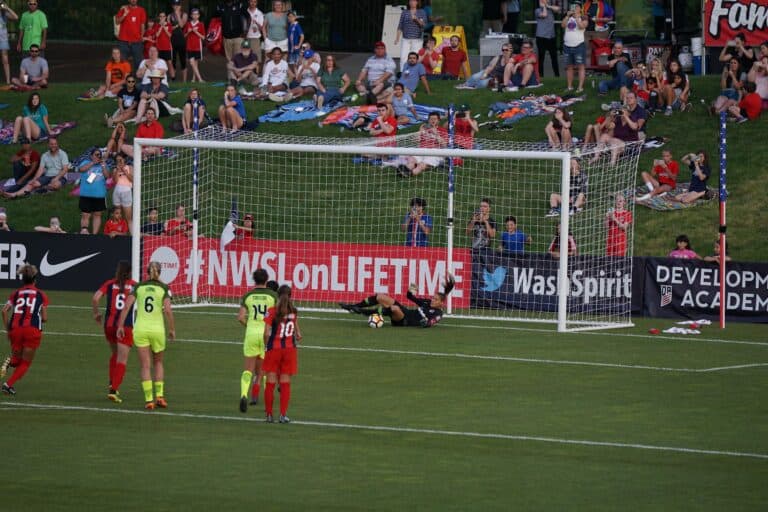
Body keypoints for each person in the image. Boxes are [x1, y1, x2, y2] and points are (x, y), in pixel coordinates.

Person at [116, 261, 176, 410]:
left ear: (147, 272)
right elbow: (168, 311)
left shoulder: (138, 287)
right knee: (158, 363)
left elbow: (127, 306)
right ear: (160, 273)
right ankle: (160, 397)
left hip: (141, 329)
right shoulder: (164, 288)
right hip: (157, 330)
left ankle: (149, 400)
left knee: (145, 365)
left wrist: (121, 325)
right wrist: (172, 329)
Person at [92, 261, 137, 403]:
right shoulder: (135, 285)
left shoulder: (110, 284)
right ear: (130, 272)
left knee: (115, 354)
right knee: (122, 360)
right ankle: (113, 389)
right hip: (125, 326)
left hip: (109, 326)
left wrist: (96, 314)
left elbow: (95, 298)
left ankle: (112, 383)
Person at [0, 264, 48, 396]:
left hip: (15, 330)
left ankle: (8, 362)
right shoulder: (41, 295)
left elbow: (4, 311)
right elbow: (44, 318)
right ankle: (7, 385)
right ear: (35, 280)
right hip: (32, 330)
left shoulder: (15, 294)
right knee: (25, 362)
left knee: (17, 361)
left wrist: (8, 330)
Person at [339, 274, 455, 328]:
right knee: (380, 297)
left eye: (435, 299)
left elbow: (433, 321)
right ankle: (353, 306)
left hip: (405, 321)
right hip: (405, 312)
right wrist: (411, 290)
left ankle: (362, 311)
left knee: (394, 308)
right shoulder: (427, 303)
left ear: (441, 303)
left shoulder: (438, 313)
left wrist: (426, 323)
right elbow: (410, 297)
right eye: (433, 298)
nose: (432, 300)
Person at [237, 268, 277, 412]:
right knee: (264, 368)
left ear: (254, 280)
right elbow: (277, 316)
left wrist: (249, 326)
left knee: (248, 370)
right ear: (267, 280)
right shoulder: (273, 296)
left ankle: (243, 395)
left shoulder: (248, 295)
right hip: (266, 333)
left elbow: (240, 317)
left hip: (251, 334)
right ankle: (268, 398)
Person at [262, 284, 302, 423]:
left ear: (277, 296)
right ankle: (283, 415)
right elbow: (297, 330)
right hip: (289, 350)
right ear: (290, 296)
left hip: (274, 349)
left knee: (271, 382)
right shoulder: (294, 311)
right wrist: (298, 333)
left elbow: (266, 332)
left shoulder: (272, 311)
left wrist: (266, 345)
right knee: (285, 382)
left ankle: (268, 415)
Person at [3, 137, 69, 198]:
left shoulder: (63, 154)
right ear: (48, 145)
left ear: (57, 144)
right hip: (47, 176)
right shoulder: (45, 155)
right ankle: (13, 195)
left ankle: (40, 189)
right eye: (51, 144)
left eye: (55, 144)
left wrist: (56, 178)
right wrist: (34, 179)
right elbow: (40, 169)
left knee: (55, 185)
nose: (53, 146)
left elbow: (65, 169)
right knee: (32, 184)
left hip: (60, 176)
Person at [593, 91, 646, 165]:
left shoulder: (633, 118)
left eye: (624, 111)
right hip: (618, 142)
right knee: (605, 136)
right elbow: (608, 126)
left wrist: (626, 117)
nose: (622, 113)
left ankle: (612, 162)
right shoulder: (618, 119)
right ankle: (596, 157)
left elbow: (635, 127)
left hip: (629, 144)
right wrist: (610, 116)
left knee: (615, 143)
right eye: (621, 111)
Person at [398, 111, 447, 177]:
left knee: (421, 165)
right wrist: (420, 132)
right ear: (428, 120)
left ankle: (410, 173)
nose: (433, 121)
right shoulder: (424, 129)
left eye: (435, 119)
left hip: (434, 153)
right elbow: (416, 141)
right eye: (431, 119)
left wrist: (436, 134)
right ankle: (404, 170)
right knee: (411, 160)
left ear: (438, 120)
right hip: (421, 150)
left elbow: (444, 145)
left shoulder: (442, 130)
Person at [78, 148, 110, 235]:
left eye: (99, 155)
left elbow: (107, 176)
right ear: (91, 156)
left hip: (99, 195)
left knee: (97, 214)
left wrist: (103, 165)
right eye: (96, 154)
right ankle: (84, 231)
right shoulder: (86, 162)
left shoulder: (104, 165)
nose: (98, 156)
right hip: (86, 194)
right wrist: (92, 163)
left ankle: (94, 234)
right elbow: (81, 169)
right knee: (85, 214)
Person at [561, 3, 588, 93]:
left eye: (576, 7)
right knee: (569, 67)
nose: (574, 8)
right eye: (573, 7)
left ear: (580, 8)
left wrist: (576, 17)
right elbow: (563, 25)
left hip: (578, 45)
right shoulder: (568, 17)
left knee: (581, 66)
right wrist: (567, 16)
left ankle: (580, 87)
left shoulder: (584, 17)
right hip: (567, 45)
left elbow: (581, 26)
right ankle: (569, 87)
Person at [395, 0, 427, 71]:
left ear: (417, 2)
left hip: (417, 40)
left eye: (414, 1)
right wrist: (397, 38)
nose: (412, 2)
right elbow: (400, 25)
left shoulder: (422, 12)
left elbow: (424, 25)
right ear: (409, 3)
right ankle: (403, 73)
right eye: (411, 1)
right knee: (403, 57)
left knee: (415, 57)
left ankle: (413, 73)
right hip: (405, 39)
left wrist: (416, 19)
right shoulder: (404, 12)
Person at [115, 0, 147, 66]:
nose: (133, 0)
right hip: (123, 41)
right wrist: (124, 14)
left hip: (137, 41)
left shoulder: (141, 10)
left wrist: (141, 37)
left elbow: (142, 25)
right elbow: (117, 22)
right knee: (123, 63)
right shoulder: (124, 9)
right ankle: (125, 76)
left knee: (138, 63)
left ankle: (136, 76)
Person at [535, 1, 560, 78]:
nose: (543, 2)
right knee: (541, 57)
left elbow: (558, 9)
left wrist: (547, 6)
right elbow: (544, 15)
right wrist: (545, 7)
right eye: (542, 0)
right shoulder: (537, 10)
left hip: (551, 37)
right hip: (541, 37)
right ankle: (541, 76)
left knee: (554, 57)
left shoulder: (551, 9)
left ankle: (557, 75)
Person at [184, 8, 205, 83]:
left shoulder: (201, 24)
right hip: (189, 46)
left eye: (196, 14)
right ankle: (200, 79)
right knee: (192, 63)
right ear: (191, 15)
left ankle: (193, 79)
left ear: (199, 16)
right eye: (193, 14)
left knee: (195, 64)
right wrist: (189, 32)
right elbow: (184, 35)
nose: (195, 16)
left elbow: (203, 37)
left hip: (197, 46)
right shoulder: (188, 24)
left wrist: (196, 32)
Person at [169, 0, 188, 83]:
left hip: (181, 40)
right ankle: (173, 79)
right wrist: (174, 27)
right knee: (173, 60)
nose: (176, 6)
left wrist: (177, 15)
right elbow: (169, 29)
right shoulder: (169, 16)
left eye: (177, 5)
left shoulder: (184, 14)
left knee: (182, 60)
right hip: (172, 40)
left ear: (180, 6)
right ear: (172, 6)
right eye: (174, 5)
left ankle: (184, 81)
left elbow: (181, 25)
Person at [0, 3, 19, 84]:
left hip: (3, 40)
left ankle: (8, 81)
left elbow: (16, 17)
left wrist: (7, 8)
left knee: (5, 60)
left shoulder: (4, 14)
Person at [155, 12, 175, 80]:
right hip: (159, 47)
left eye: (163, 16)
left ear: (165, 17)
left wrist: (165, 28)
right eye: (161, 16)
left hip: (167, 47)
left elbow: (170, 35)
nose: (162, 18)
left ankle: (173, 78)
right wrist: (161, 27)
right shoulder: (157, 25)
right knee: (160, 63)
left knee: (169, 63)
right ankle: (161, 78)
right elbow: (157, 35)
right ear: (159, 17)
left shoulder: (169, 25)